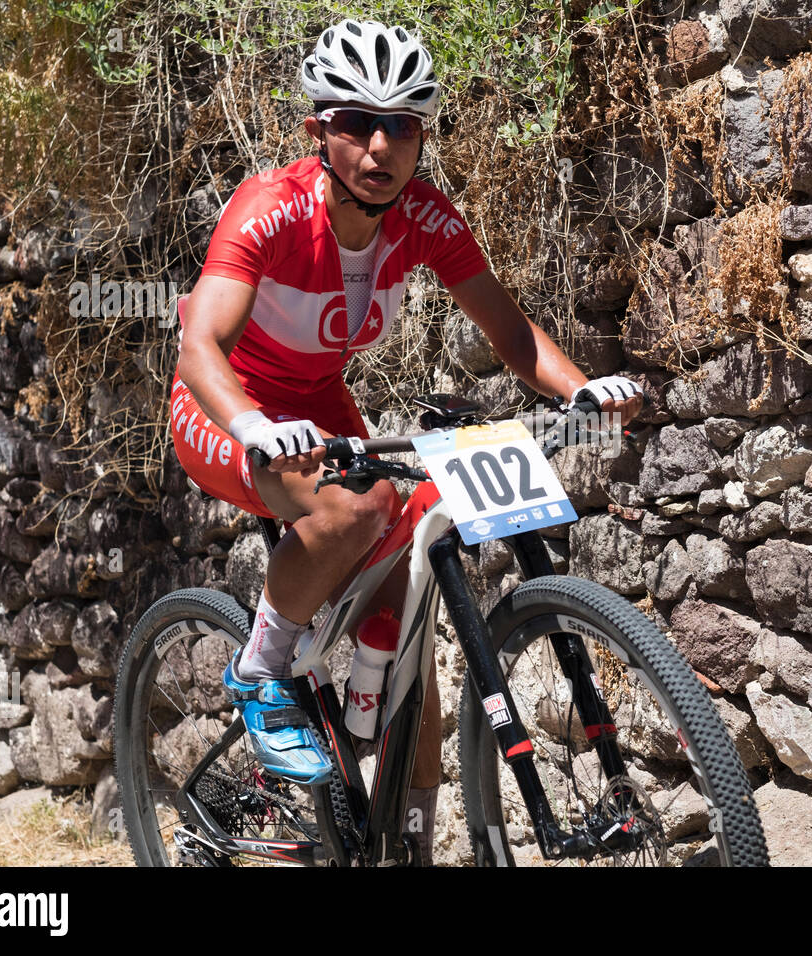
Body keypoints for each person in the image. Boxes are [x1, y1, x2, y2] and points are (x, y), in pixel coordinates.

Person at [169, 18, 642, 864]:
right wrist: (256, 429)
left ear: (424, 135)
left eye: (403, 125)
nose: (379, 146)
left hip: (320, 403)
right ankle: (262, 672)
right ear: (319, 131)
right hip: (226, 405)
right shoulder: (271, 208)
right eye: (357, 123)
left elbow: (511, 334)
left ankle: (406, 844)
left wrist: (582, 390)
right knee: (360, 510)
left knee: (412, 633)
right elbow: (201, 345)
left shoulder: (422, 215)